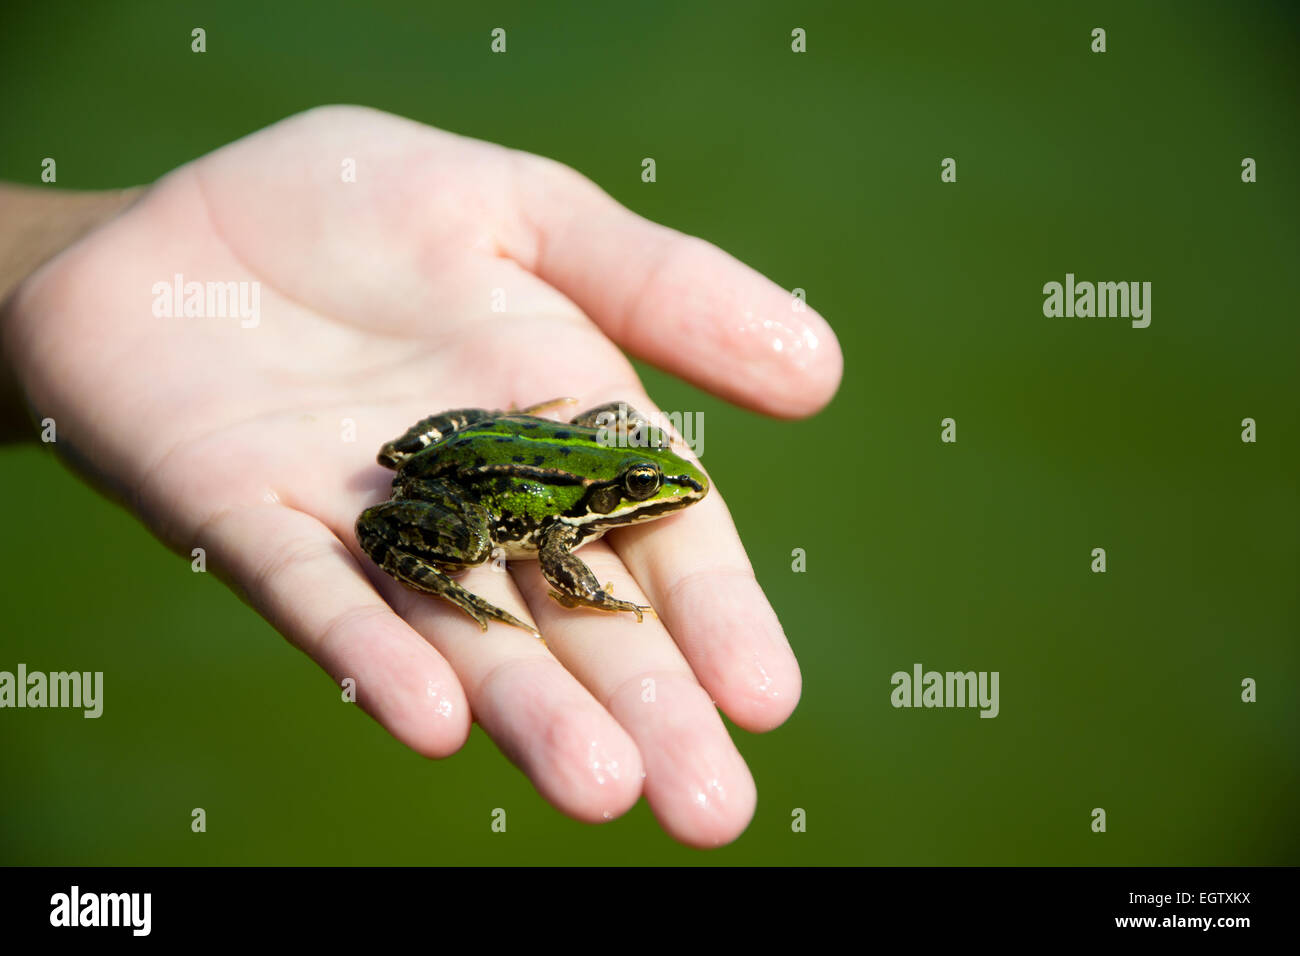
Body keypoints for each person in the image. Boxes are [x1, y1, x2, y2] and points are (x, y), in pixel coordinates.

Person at [0, 106, 841, 847]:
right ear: (611, 490)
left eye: (646, 477)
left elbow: (591, 433)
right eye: (639, 485)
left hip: (459, 440)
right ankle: (462, 587)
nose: (661, 491)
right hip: (459, 490)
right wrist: (591, 594)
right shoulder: (572, 516)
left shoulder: (600, 449)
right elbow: (555, 557)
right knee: (474, 542)